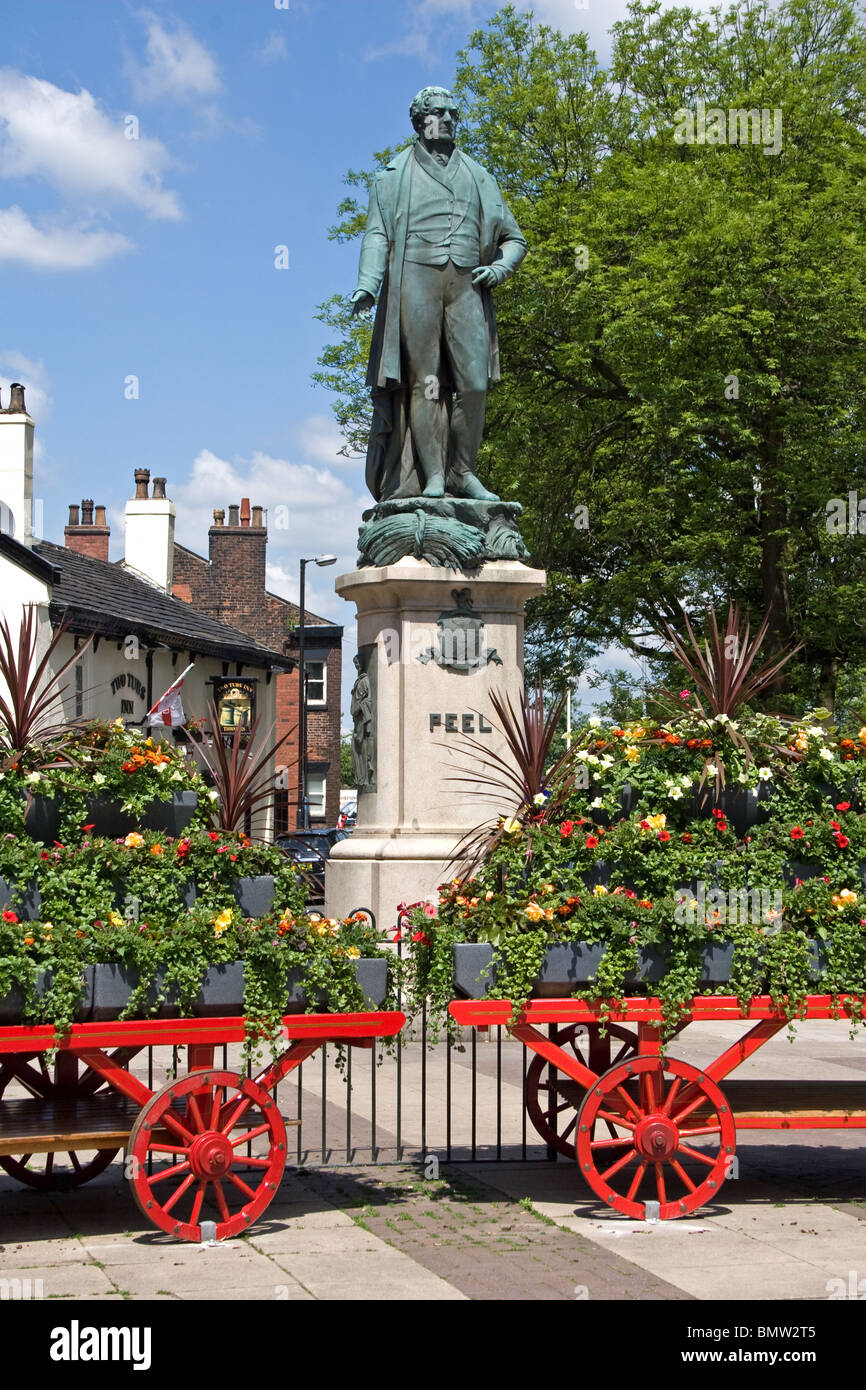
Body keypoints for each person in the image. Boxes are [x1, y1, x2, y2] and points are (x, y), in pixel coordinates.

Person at [352, 85, 527, 503]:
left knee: (474, 385)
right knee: (426, 381)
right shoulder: (391, 177)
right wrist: (367, 285)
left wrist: (500, 268)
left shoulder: (479, 175)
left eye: (453, 113)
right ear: (419, 121)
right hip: (415, 277)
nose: (448, 119)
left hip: (467, 282)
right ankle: (433, 478)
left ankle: (462, 472)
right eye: (438, 113)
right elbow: (376, 234)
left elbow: (514, 239)